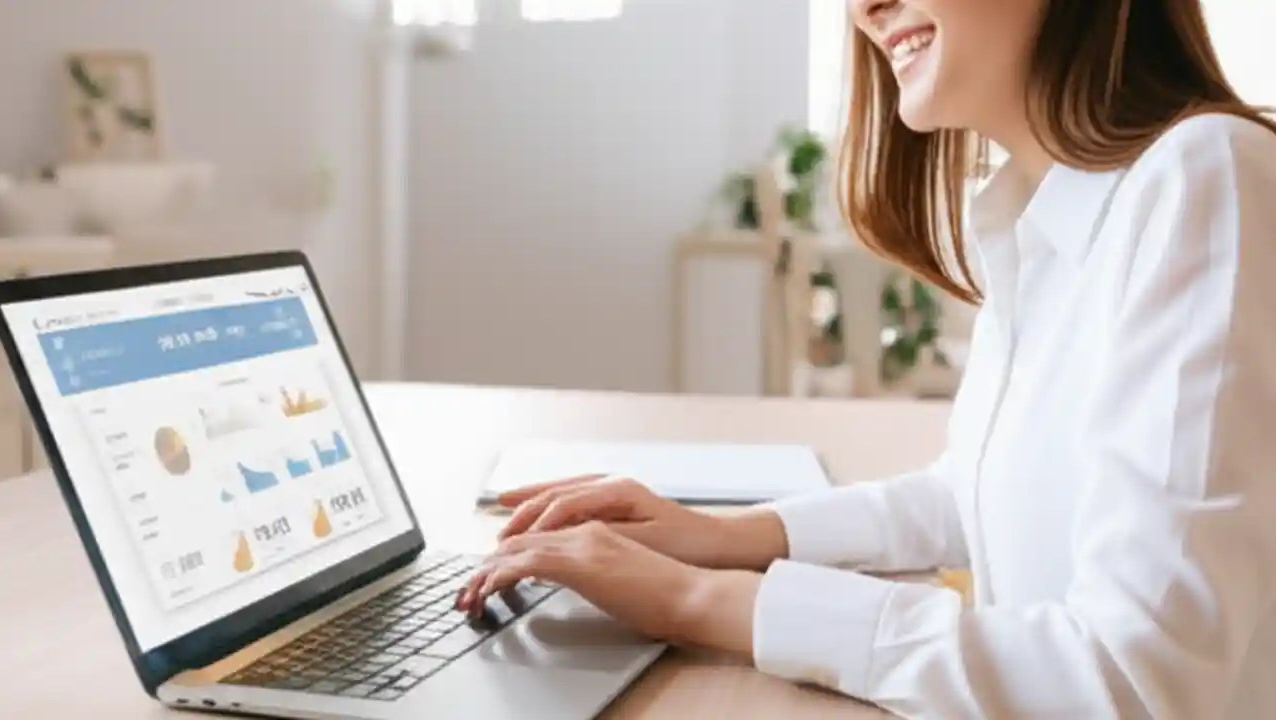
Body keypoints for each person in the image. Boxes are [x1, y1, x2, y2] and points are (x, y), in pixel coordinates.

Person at [458, 0, 1276, 716]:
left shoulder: (1203, 176)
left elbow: (1133, 678)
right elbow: (970, 493)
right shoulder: (1042, 206)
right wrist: (718, 535)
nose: (866, 7)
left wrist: (701, 600)